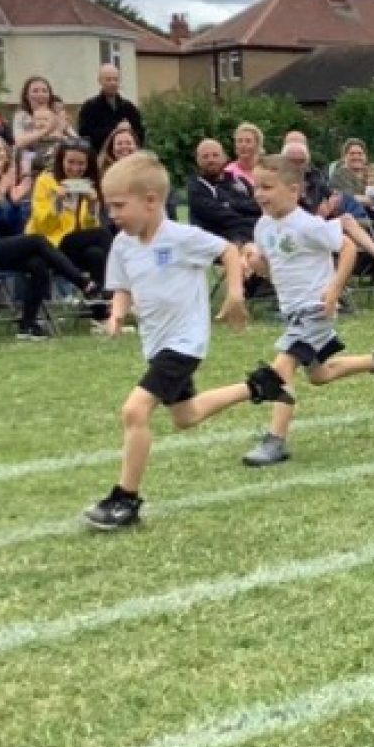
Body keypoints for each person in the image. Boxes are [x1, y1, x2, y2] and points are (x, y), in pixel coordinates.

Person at [83, 151, 283, 531]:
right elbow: (122, 284)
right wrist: (116, 312)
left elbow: (226, 250)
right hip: (157, 344)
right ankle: (258, 385)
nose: (113, 215)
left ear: (151, 201)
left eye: (119, 206)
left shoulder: (180, 237)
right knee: (184, 415)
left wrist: (236, 294)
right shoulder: (123, 244)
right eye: (110, 207)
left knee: (135, 411)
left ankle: (126, 500)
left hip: (185, 343)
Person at [238, 153, 374, 468]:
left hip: (313, 311)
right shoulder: (263, 226)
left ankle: (276, 441)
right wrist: (255, 263)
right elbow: (271, 271)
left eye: (267, 187)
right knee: (318, 374)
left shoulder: (307, 224)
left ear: (293, 190)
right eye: (256, 187)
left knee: (282, 368)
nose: (259, 194)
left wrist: (334, 291)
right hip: (292, 312)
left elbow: (348, 247)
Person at [0, 143, 97, 340]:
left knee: (38, 264)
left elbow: (13, 230)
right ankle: (83, 282)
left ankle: (27, 325)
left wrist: (11, 205)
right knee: (37, 241)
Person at [27, 138, 114, 321]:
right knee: (103, 235)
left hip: (76, 247)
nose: (75, 168)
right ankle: (110, 289)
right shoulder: (46, 181)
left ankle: (99, 314)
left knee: (96, 253)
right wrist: (57, 203)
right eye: (71, 162)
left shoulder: (87, 184)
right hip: (50, 245)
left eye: (81, 163)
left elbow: (89, 228)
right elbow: (43, 225)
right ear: (62, 161)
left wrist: (92, 205)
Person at [187, 137, 262, 245]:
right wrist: (247, 214)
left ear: (224, 157)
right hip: (218, 239)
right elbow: (218, 216)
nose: (211, 160)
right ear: (198, 160)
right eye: (205, 156)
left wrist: (230, 204)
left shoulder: (240, 181)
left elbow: (258, 206)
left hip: (249, 231)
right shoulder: (197, 187)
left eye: (215, 155)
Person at [76, 63, 144, 156]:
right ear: (100, 81)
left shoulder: (129, 108)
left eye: (115, 79)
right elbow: (85, 136)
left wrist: (129, 131)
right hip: (98, 157)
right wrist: (115, 130)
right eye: (108, 79)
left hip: (127, 158)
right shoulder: (89, 107)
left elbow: (140, 135)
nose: (112, 83)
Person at [12, 76, 70, 183]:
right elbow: (19, 142)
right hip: (30, 163)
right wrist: (46, 130)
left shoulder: (58, 115)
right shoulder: (21, 116)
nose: (41, 94)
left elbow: (75, 139)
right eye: (35, 91)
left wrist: (62, 129)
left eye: (44, 91)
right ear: (27, 96)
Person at [225, 122, 265, 187]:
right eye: (240, 141)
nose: (243, 145)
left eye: (248, 141)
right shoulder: (228, 172)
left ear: (257, 144)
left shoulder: (267, 169)